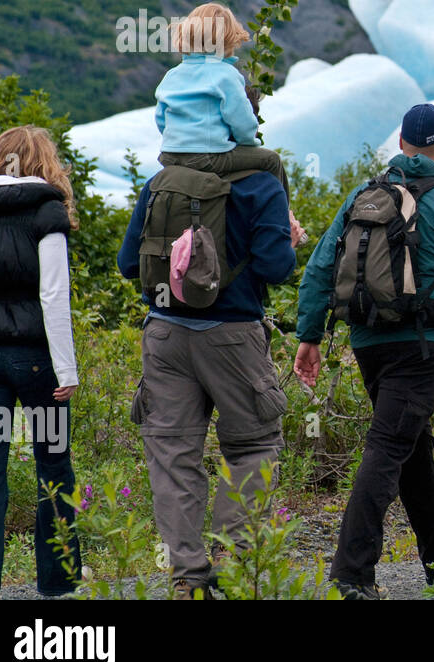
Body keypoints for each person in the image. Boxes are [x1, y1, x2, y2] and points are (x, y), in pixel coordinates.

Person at [293, 103, 434, 599]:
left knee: (411, 448)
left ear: (401, 141)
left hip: (368, 343)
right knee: (389, 447)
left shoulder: (361, 196)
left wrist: (309, 336)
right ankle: (351, 575)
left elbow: (318, 269)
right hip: (421, 345)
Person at [118, 113, 301, 599]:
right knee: (254, 445)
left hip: (164, 334)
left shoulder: (161, 182)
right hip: (234, 336)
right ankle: (232, 555)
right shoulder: (261, 183)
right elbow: (276, 267)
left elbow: (126, 263)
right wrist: (289, 239)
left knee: (174, 455)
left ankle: (186, 577)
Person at [0, 126, 82, 599]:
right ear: (43, 162)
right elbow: (52, 294)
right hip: (36, 362)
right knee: (53, 465)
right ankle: (57, 584)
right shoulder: (46, 210)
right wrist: (66, 368)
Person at [155, 2, 304, 239]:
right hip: (208, 157)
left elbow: (161, 118)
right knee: (271, 160)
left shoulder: (172, 75)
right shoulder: (226, 74)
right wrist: (248, 144)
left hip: (170, 156)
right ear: (227, 41)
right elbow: (241, 121)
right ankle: (283, 224)